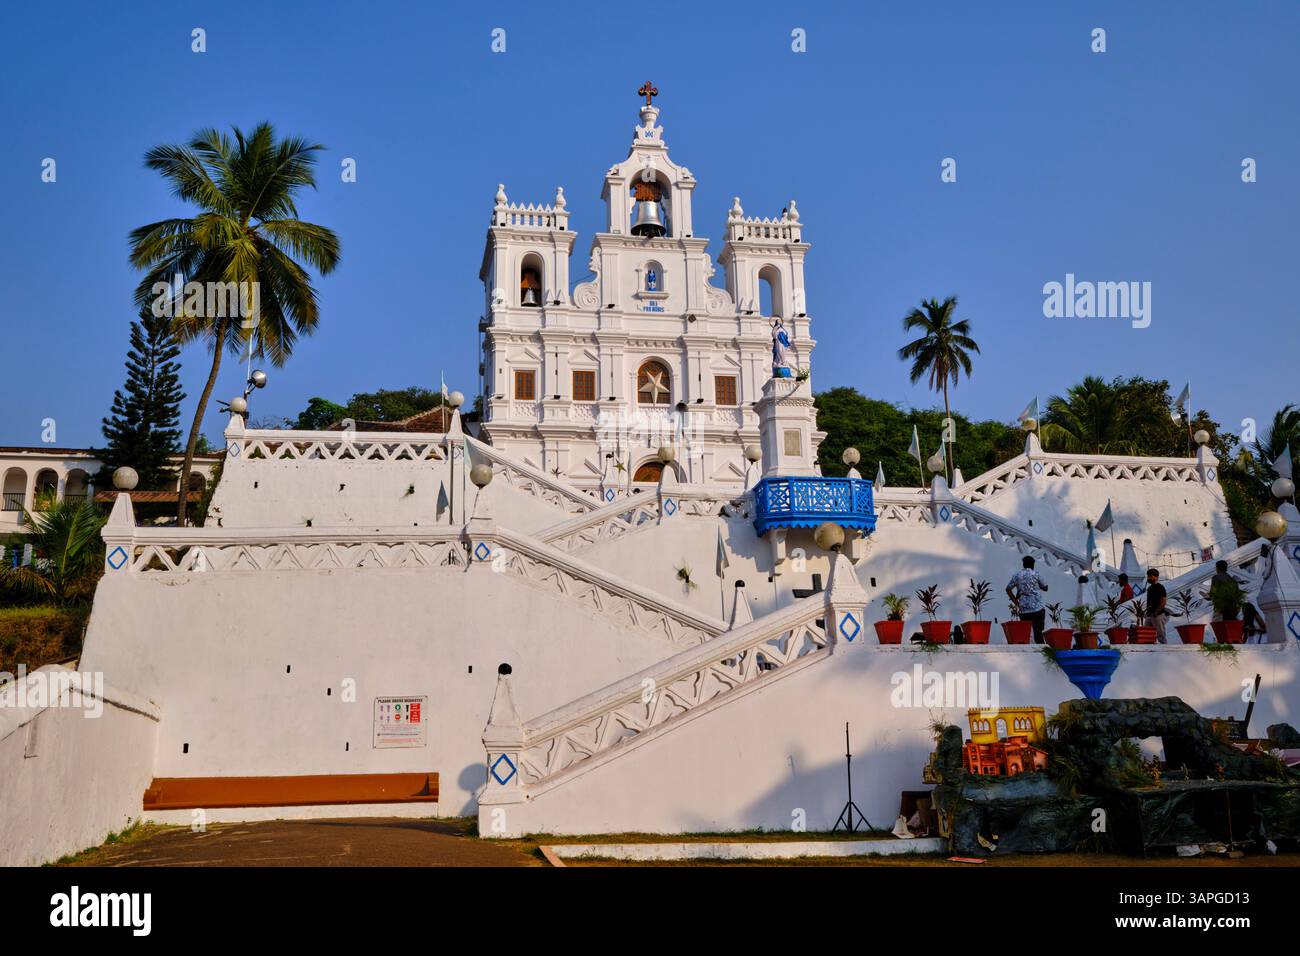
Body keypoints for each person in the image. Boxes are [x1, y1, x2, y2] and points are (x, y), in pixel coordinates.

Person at [1007, 556, 1049, 644]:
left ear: (1023, 564)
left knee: (1025, 633)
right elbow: (1045, 587)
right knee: (1038, 632)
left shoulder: (1017, 575)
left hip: (1024, 609)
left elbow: (1008, 589)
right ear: (1033, 564)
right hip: (1037, 609)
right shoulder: (1036, 574)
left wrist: (1016, 602)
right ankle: (1041, 651)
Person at [1145, 568, 1168, 643]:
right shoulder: (1149, 588)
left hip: (1158, 615)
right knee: (1147, 635)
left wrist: (1157, 611)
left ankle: (1166, 650)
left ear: (1156, 577)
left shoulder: (1160, 588)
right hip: (1149, 615)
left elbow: (1163, 601)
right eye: (1148, 576)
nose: (1148, 578)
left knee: (1160, 635)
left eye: (1150, 576)